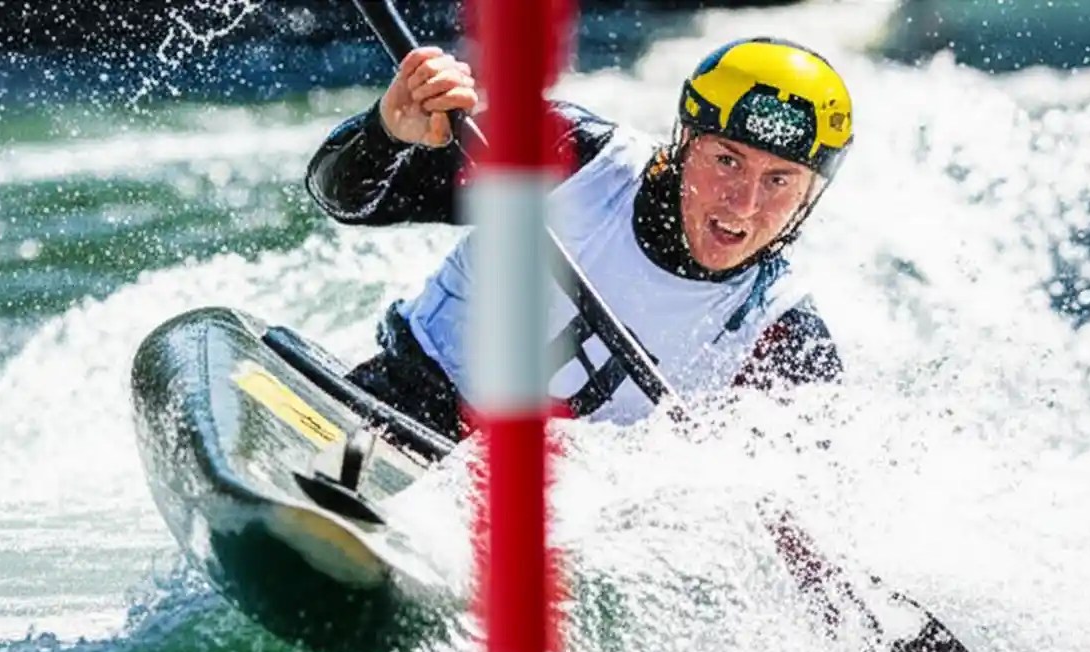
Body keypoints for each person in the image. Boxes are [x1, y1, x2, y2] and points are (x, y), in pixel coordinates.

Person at [305, 37, 852, 442]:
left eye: (779, 180)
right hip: (403, 404)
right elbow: (347, 201)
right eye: (727, 161)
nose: (745, 202)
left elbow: (798, 528)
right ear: (685, 142)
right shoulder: (570, 158)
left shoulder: (783, 338)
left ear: (811, 196)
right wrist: (388, 130)